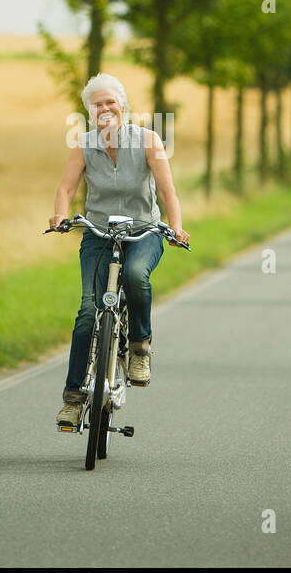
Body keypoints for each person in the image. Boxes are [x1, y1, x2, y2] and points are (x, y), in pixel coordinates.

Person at [48, 73, 189, 430]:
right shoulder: (84, 144)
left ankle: (140, 345)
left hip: (143, 231)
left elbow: (167, 191)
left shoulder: (147, 141)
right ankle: (73, 399)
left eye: (111, 102)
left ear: (123, 107)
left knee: (135, 275)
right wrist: (60, 215)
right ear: (90, 112)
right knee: (87, 311)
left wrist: (175, 226)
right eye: (97, 104)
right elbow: (66, 188)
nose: (105, 108)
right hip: (99, 233)